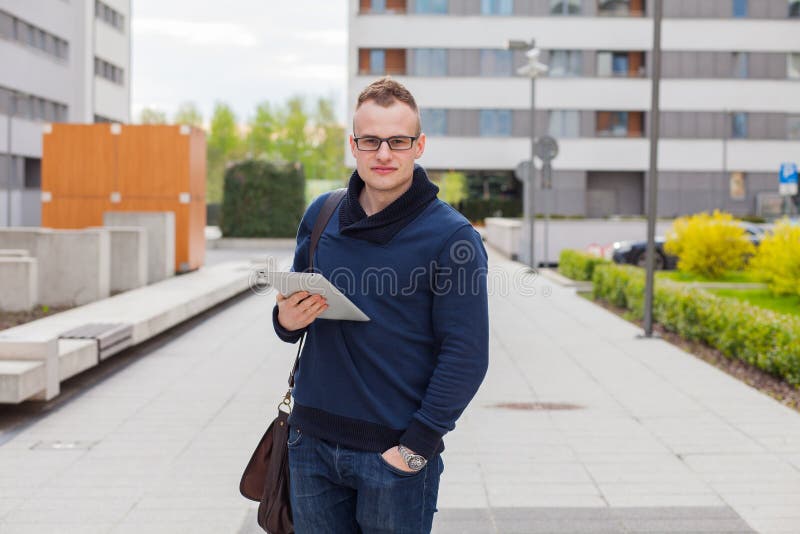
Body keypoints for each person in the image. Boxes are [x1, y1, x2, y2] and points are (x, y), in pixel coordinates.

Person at [272, 77, 489, 534]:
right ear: (354, 145)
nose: (384, 153)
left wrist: (416, 447)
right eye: (370, 140)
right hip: (310, 442)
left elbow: (466, 355)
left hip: (394, 456)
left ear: (419, 145)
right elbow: (295, 312)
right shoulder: (322, 215)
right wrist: (285, 320)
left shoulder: (453, 239)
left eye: (398, 141)